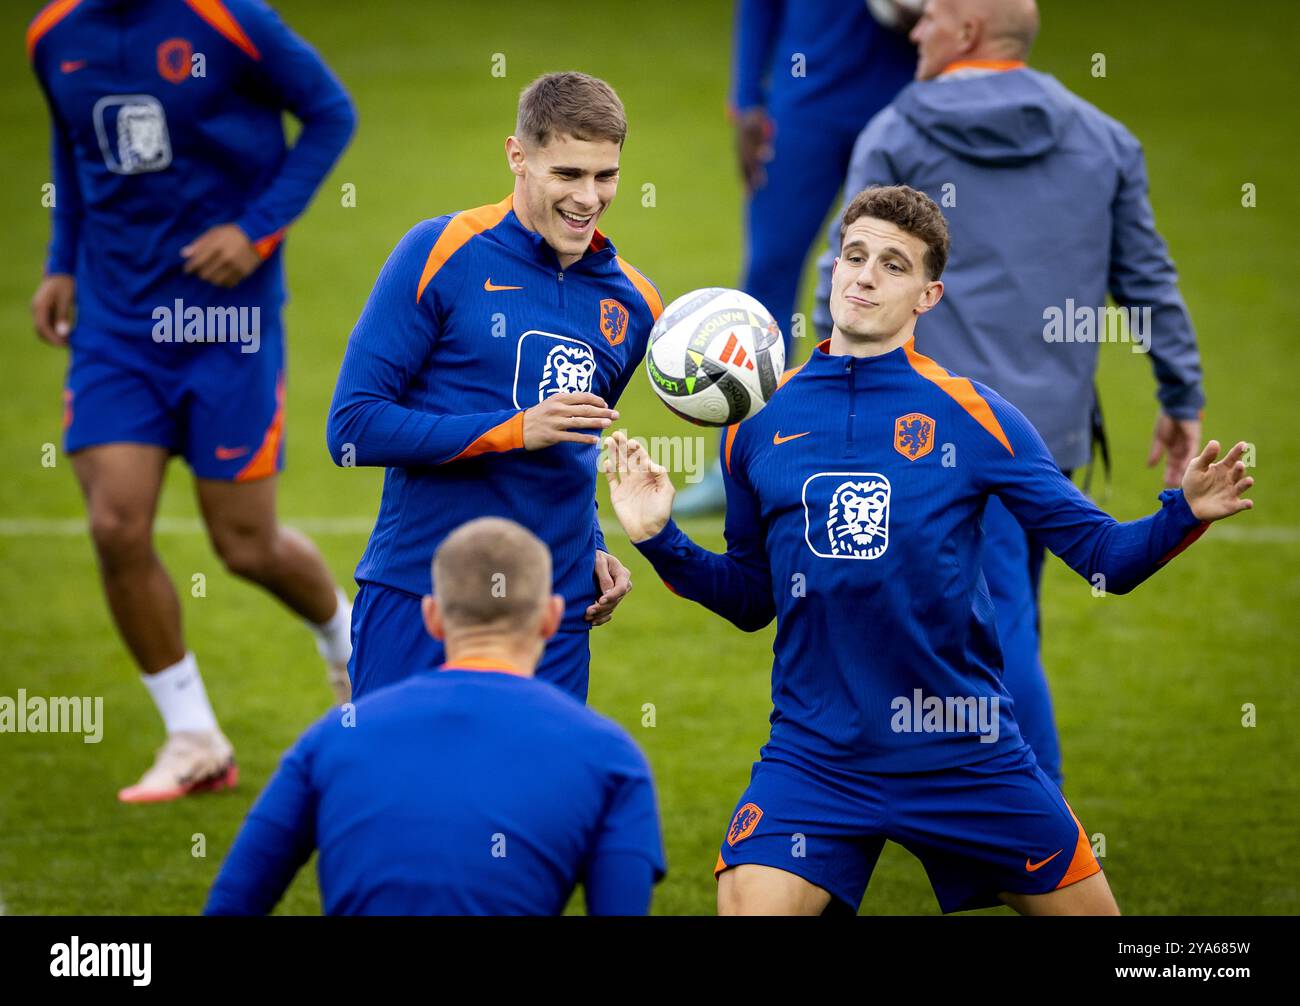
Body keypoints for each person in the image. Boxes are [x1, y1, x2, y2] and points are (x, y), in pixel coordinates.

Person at [603, 186, 1252, 915]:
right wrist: (660, 539)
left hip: (964, 754)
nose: (865, 276)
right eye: (854, 256)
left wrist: (1185, 513)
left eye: (892, 264)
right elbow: (755, 599)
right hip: (819, 758)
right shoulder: (758, 420)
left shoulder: (973, 415)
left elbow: (1106, 556)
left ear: (927, 294)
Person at [808, 0, 1206, 784]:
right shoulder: (1103, 138)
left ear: (965, 31)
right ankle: (964, 797)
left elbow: (844, 275)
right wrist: (1180, 392)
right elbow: (1148, 282)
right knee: (996, 618)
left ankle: (1035, 827)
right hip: (1044, 436)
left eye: (926, 19)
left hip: (922, 433)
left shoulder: (898, 130)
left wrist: (824, 392)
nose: (912, 33)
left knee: (993, 630)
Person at [28, 0, 357, 802]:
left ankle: (351, 649)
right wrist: (60, 260)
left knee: (244, 545)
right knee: (115, 523)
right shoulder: (52, 34)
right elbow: (75, 151)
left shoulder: (230, 19)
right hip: (115, 323)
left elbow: (329, 114)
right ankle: (193, 737)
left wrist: (257, 229)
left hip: (227, 322)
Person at [328, 72, 661, 703]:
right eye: (567, 174)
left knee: (538, 803)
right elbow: (352, 427)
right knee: (401, 798)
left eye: (605, 176)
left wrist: (592, 543)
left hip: (551, 609)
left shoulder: (636, 303)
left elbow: (573, 440)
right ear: (517, 156)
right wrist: (513, 429)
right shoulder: (441, 250)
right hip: (423, 591)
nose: (588, 198)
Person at [204, 517, 666, 916]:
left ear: (431, 616)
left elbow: (234, 900)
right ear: (549, 618)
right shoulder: (611, 758)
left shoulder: (334, 738)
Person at [673, 0, 916, 515]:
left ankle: (871, 451)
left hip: (902, 103)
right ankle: (746, 456)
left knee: (890, 281)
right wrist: (746, 101)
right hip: (803, 107)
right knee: (768, 275)